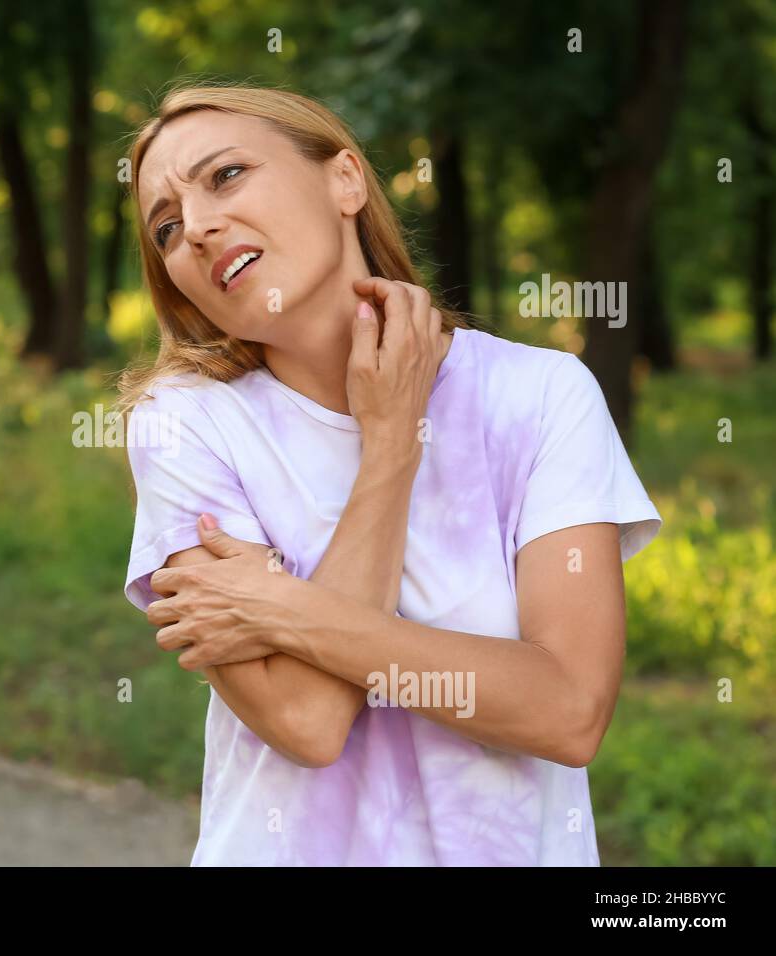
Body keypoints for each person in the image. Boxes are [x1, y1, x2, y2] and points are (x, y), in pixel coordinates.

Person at [118, 82, 662, 866]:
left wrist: (280, 608)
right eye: (165, 228)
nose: (196, 227)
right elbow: (308, 721)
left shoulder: (541, 395)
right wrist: (392, 447)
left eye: (227, 175)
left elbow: (569, 713)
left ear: (345, 180)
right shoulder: (185, 423)